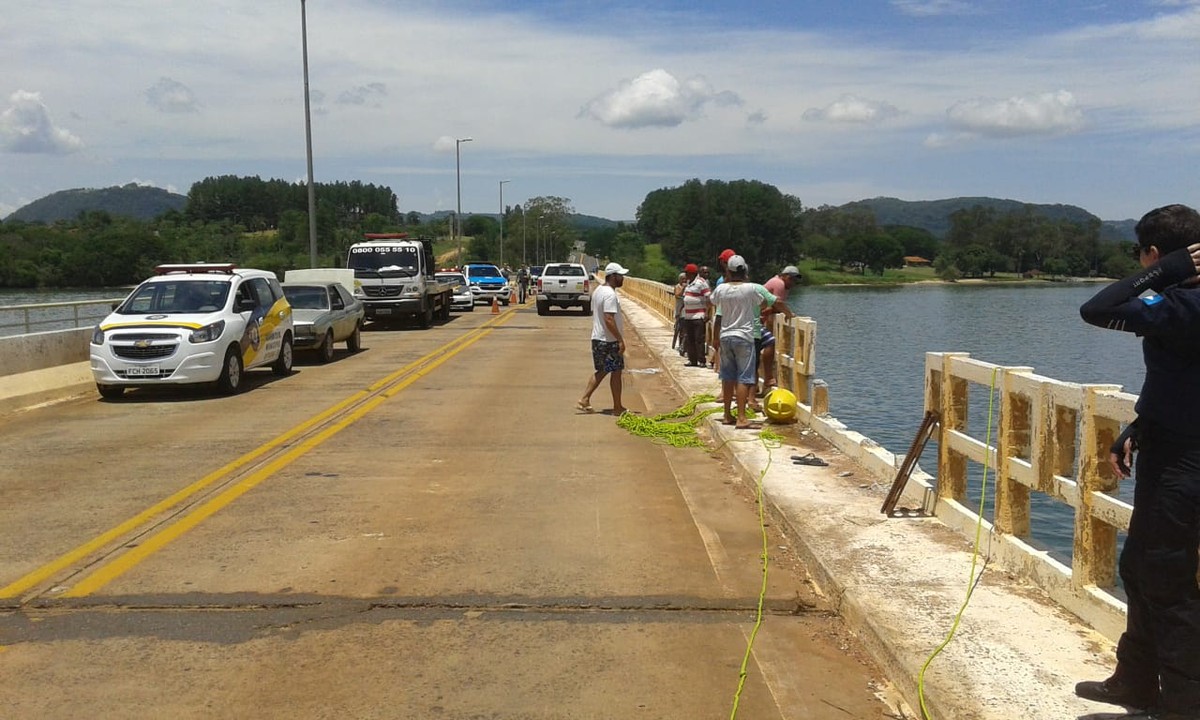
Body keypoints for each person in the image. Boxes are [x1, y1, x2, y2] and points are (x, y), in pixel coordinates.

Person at [1077, 204, 1200, 720]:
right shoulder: (1180, 303)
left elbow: (1098, 306)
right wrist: (1141, 423)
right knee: (1139, 565)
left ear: (1153, 253)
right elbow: (1183, 380)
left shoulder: (1183, 302)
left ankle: (1183, 705)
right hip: (1169, 443)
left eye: (1142, 254)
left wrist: (1166, 269)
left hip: (1188, 461)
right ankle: (1135, 681)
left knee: (1167, 577)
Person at [708, 255, 791, 430]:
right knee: (744, 378)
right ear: (745, 270)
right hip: (744, 337)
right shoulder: (753, 288)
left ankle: (727, 415)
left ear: (728, 272)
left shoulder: (721, 289)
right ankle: (742, 418)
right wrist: (790, 315)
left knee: (728, 377)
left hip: (725, 336)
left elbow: (714, 304)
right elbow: (776, 301)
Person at [578, 262, 631, 415]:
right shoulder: (609, 294)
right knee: (614, 372)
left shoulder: (599, 290)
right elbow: (609, 319)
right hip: (608, 341)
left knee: (603, 371)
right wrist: (620, 340)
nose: (623, 278)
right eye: (621, 275)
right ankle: (617, 407)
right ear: (613, 276)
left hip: (598, 338)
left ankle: (586, 398)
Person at [759, 265, 802, 395]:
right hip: (756, 317)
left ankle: (762, 381)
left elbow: (774, 306)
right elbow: (778, 304)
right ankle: (768, 377)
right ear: (785, 276)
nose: (793, 283)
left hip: (759, 315)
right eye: (792, 280)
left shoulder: (781, 284)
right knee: (769, 342)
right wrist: (789, 314)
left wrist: (771, 310)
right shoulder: (779, 284)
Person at [680, 263, 710, 367]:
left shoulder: (701, 283)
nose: (685, 275)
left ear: (692, 273)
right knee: (690, 339)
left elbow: (708, 298)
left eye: (687, 273)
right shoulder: (688, 283)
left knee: (699, 339)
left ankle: (701, 360)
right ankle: (692, 360)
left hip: (698, 315)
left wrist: (707, 312)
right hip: (688, 316)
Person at [672, 271, 688, 355]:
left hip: (686, 311)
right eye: (683, 279)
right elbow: (677, 295)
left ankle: (683, 346)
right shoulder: (677, 287)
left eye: (686, 279)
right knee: (680, 329)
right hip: (679, 310)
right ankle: (680, 345)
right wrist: (684, 289)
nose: (684, 280)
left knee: (685, 329)